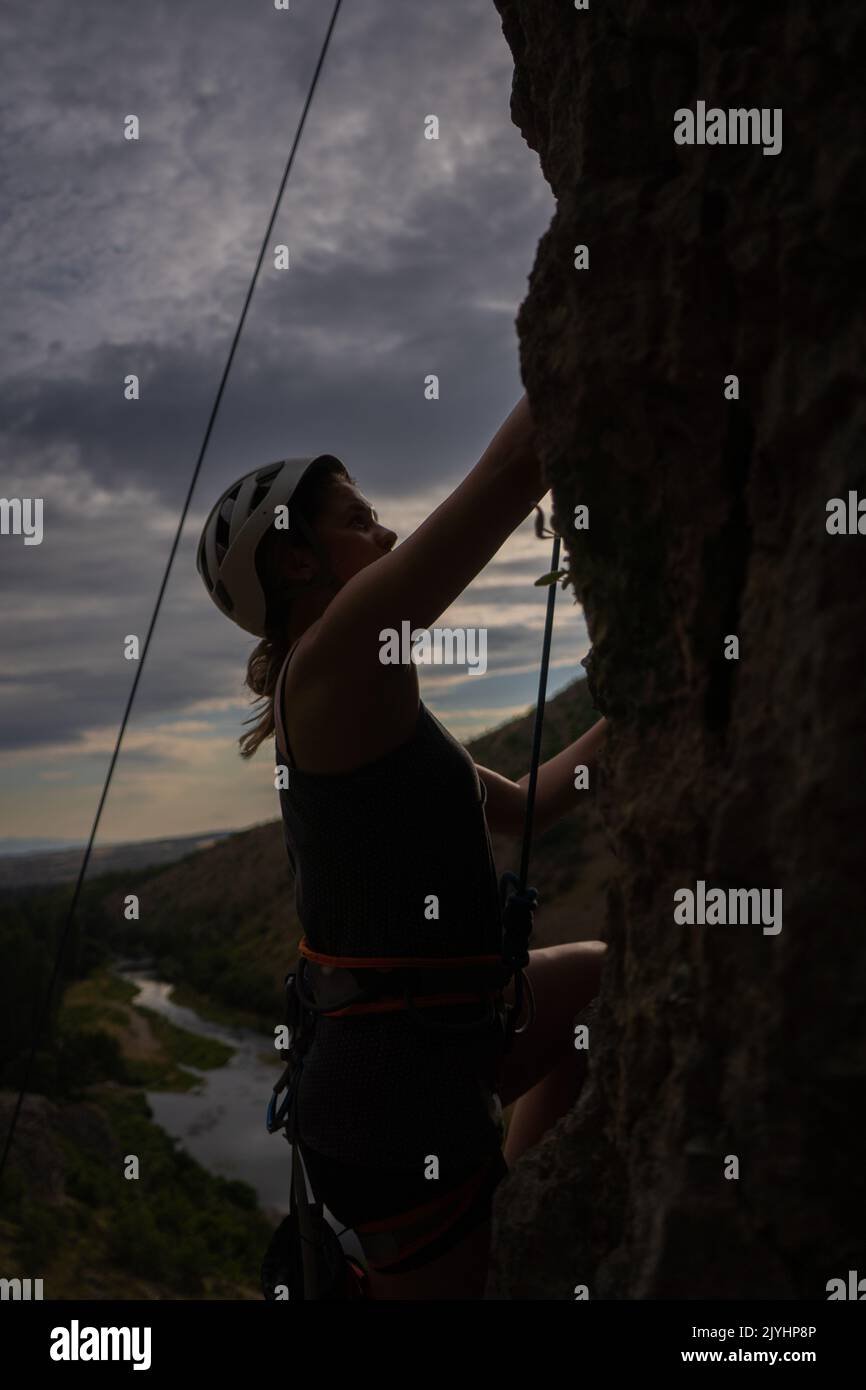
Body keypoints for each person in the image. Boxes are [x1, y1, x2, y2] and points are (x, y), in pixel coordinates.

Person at [196, 393, 607, 1299]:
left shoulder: (372, 699)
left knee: (601, 985)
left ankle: (515, 1209)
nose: (384, 536)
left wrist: (641, 705)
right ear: (299, 559)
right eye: (358, 520)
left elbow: (528, 809)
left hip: (433, 1042)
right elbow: (510, 471)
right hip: (391, 1102)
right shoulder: (336, 658)